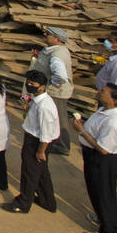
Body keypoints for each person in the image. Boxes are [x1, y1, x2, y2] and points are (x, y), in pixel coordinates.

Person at [74, 83, 117, 233]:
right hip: (93, 155)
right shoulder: (104, 110)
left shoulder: (115, 121)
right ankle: (101, 216)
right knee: (95, 189)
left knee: (104, 193)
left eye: (104, 92)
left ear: (114, 100)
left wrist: (82, 131)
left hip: (104, 159)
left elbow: (104, 149)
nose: (99, 92)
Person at [5, 70, 59, 213]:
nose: (29, 85)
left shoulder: (44, 106)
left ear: (42, 86)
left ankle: (23, 203)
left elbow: (46, 132)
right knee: (41, 173)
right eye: (28, 83)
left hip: (37, 142)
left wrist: (41, 150)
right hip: (35, 139)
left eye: (33, 84)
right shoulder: (37, 100)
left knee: (30, 172)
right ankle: (47, 201)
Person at [33, 26, 74, 156]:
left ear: (57, 39)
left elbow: (61, 75)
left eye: (48, 35)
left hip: (56, 92)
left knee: (59, 118)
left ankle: (62, 145)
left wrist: (52, 83)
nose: (46, 37)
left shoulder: (58, 55)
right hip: (53, 90)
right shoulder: (52, 50)